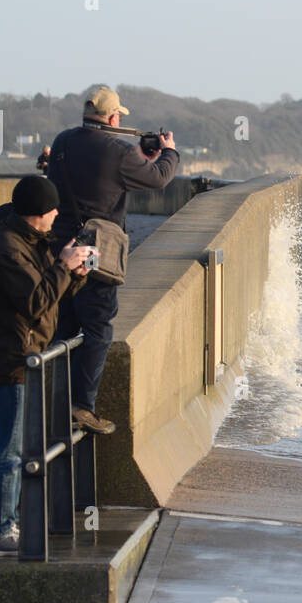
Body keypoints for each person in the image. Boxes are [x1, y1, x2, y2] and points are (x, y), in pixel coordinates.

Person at [45, 86, 179, 435]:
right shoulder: (118, 152)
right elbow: (159, 178)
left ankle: (51, 404)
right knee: (99, 325)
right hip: (94, 254)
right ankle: (81, 407)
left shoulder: (61, 142)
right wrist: (170, 153)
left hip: (60, 247)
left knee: (64, 324)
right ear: (114, 117)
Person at [0, 176, 91, 557]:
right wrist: (61, 266)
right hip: (13, 359)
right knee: (7, 451)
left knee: (18, 448)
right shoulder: (7, 250)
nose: (57, 214)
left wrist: (73, 277)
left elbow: (50, 297)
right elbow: (35, 301)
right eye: (53, 209)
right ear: (39, 213)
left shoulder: (29, 244)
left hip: (29, 356)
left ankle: (8, 522)